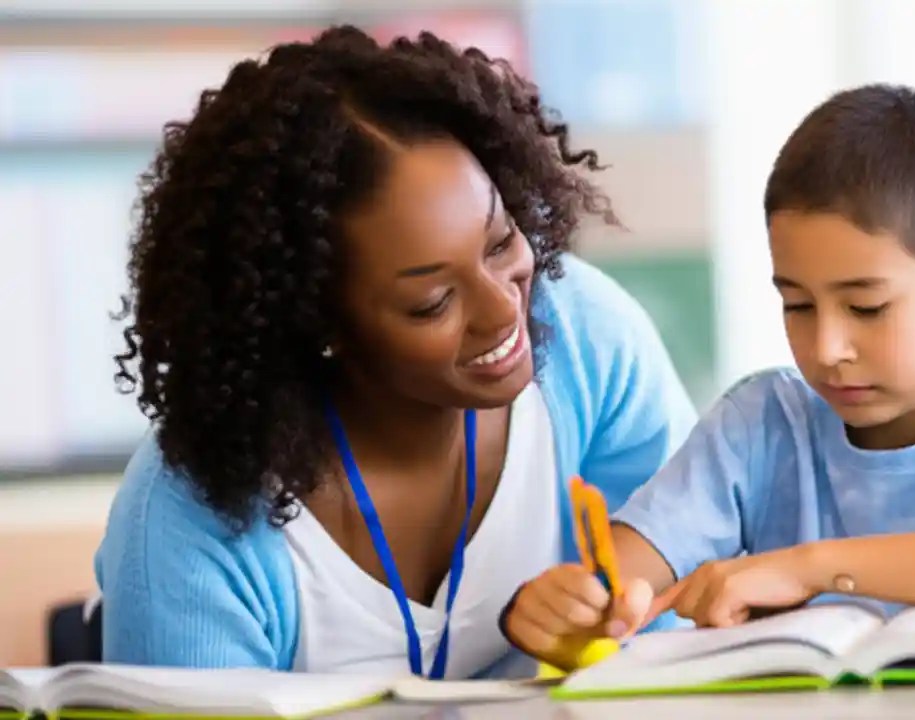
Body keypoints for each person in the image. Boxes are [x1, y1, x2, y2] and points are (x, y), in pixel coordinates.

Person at [96, 25, 695, 679]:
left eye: (499, 243)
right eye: (433, 302)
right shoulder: (191, 517)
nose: (504, 311)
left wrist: (610, 626)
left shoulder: (587, 342)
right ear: (318, 322)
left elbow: (677, 627)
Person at [501, 84, 915, 671]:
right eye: (797, 305)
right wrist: (566, 610)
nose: (827, 348)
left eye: (867, 307)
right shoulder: (760, 422)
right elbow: (614, 584)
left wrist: (813, 569)